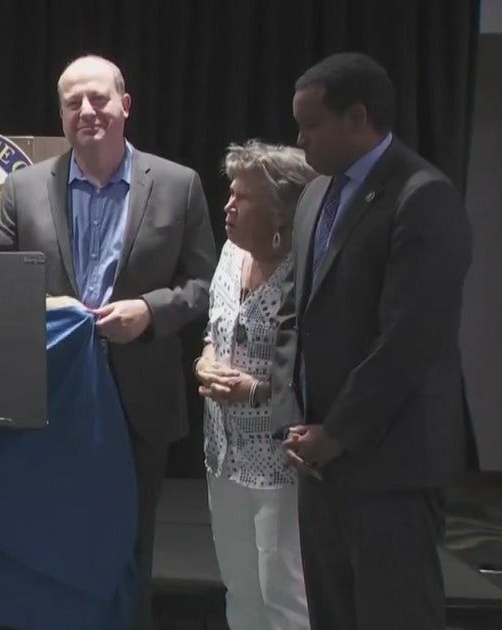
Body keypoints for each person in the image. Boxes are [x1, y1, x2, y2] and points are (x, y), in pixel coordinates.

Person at [0, 55, 217, 630]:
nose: (87, 111)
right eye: (73, 102)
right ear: (61, 115)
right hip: (49, 398)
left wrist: (150, 311)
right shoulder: (23, 187)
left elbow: (205, 285)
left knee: (129, 551)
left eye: (99, 98)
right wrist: (41, 307)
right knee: (48, 545)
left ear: (125, 105)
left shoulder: (179, 184)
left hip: (139, 399)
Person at [279, 52, 471, 629]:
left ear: (358, 117)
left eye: (311, 124)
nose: (300, 139)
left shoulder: (423, 196)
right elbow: (296, 314)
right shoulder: (315, 196)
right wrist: (300, 424)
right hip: (320, 466)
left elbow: (408, 341)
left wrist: (337, 433)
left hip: (390, 468)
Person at [193, 140, 316, 630]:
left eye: (242, 197)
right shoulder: (229, 253)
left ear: (279, 212)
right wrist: (204, 362)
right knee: (240, 590)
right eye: (230, 192)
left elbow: (317, 367)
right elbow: (214, 329)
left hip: (281, 461)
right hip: (223, 453)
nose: (228, 205)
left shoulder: (305, 267)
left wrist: (255, 390)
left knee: (283, 595)